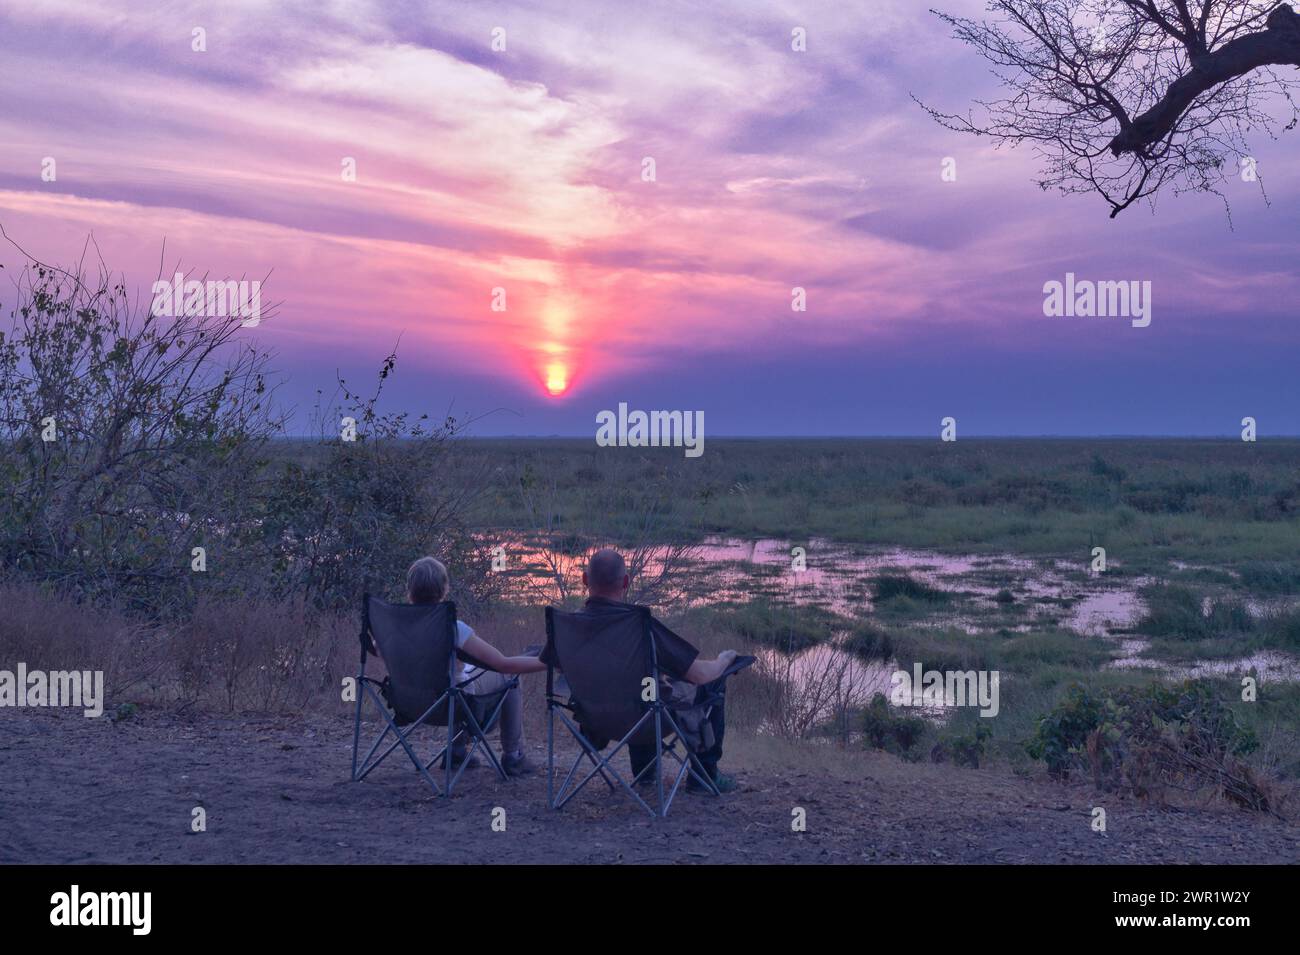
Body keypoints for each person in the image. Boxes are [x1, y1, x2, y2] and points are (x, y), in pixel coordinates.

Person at [548, 548, 741, 792]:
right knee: (705, 683)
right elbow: (698, 675)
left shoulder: (567, 627)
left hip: (595, 722)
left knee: (644, 684)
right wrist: (725, 660)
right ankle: (706, 775)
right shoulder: (638, 626)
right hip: (647, 722)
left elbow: (547, 662)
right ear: (626, 582)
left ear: (585, 580)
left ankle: (645, 774)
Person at [404, 556, 545, 776]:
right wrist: (545, 662)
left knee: (464, 677)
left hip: (408, 704)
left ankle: (458, 751)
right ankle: (513, 755)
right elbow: (503, 664)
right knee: (508, 678)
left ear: (409, 590)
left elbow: (375, 649)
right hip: (447, 705)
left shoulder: (395, 627)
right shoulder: (452, 628)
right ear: (444, 590)